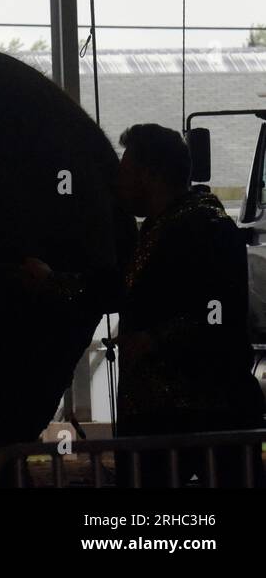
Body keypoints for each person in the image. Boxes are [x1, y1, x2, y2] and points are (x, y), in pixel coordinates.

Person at [110, 123, 265, 486]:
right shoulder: (162, 229)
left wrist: (153, 340)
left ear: (152, 174)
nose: (119, 181)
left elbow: (218, 313)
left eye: (127, 170)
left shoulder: (206, 228)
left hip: (198, 414)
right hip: (169, 414)